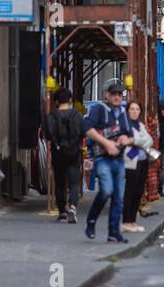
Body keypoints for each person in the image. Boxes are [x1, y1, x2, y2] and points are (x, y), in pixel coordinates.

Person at [82, 78, 133, 243]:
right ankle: (91, 221)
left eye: (120, 94)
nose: (117, 97)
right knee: (106, 191)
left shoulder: (124, 112)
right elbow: (87, 129)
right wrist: (107, 143)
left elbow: (130, 134)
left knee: (118, 197)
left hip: (119, 158)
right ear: (107, 95)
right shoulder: (98, 109)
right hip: (102, 158)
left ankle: (113, 232)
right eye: (114, 94)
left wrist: (126, 140)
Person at [42, 87, 84, 224]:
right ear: (70, 100)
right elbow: (83, 132)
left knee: (59, 183)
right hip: (74, 153)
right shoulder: (77, 115)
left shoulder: (52, 116)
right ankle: (72, 207)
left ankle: (62, 212)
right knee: (74, 183)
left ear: (56, 101)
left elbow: (47, 135)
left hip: (58, 153)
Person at [120, 100, 159, 233]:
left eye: (137, 109)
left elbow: (150, 140)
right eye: (132, 109)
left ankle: (132, 221)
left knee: (138, 191)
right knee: (130, 191)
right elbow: (125, 142)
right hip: (131, 160)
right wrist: (139, 142)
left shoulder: (140, 125)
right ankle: (126, 220)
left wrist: (135, 141)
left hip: (143, 161)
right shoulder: (125, 125)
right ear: (127, 111)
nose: (135, 111)